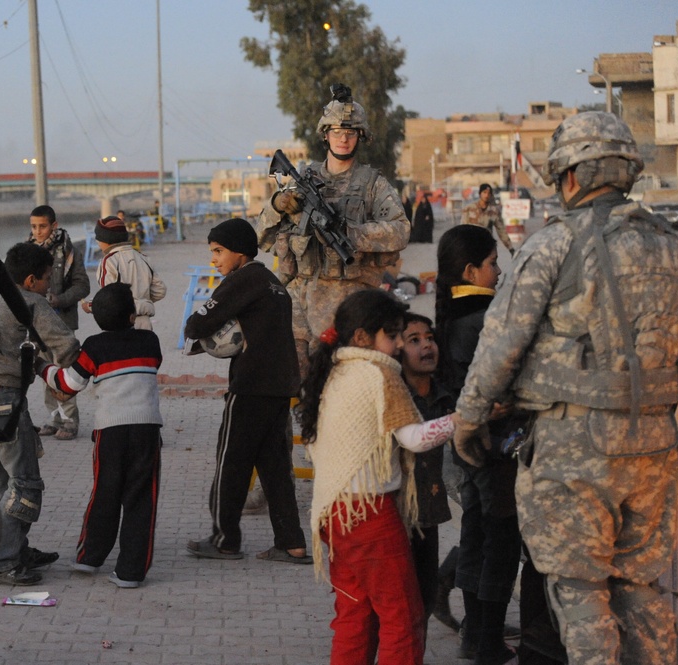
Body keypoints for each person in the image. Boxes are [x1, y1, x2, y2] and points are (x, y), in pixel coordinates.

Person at [452, 111, 678, 664]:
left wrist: (469, 421)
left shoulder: (553, 245)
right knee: (641, 590)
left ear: (570, 175)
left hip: (572, 452)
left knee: (579, 593)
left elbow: (500, 345)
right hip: (652, 448)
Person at [297, 288, 458, 665]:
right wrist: (462, 419)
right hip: (369, 514)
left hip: (334, 512)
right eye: (394, 334)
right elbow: (416, 439)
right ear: (362, 338)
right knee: (404, 616)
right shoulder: (380, 374)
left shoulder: (336, 370)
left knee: (356, 615)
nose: (401, 343)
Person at [257, 83, 411, 373]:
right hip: (299, 304)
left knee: (343, 385)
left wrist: (352, 234)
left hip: (348, 306)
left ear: (360, 136)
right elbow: (262, 237)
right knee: (297, 388)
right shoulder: (302, 179)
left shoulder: (372, 184)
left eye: (350, 133)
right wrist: (278, 204)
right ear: (325, 135)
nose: (343, 139)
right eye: (337, 132)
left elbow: (400, 230)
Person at [183, 218, 310, 564]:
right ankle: (292, 543)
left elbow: (196, 324)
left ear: (239, 251)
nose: (214, 259)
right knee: (274, 467)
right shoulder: (271, 282)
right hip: (281, 386)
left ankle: (225, 540)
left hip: (251, 386)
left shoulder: (242, 280)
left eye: (218, 251)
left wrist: (203, 329)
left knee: (231, 462)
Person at [37, 281, 163, 588]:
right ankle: (131, 572)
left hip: (110, 432)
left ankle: (89, 557)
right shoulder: (151, 341)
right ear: (132, 316)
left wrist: (41, 368)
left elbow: (67, 385)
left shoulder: (94, 346)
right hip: (147, 428)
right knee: (141, 499)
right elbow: (153, 364)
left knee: (105, 493)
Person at [435, 224, 521, 665]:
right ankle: (486, 638)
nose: (499, 270)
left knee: (476, 537)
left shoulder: (454, 315)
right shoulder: (483, 318)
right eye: (492, 263)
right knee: (498, 545)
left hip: (468, 448)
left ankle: (477, 634)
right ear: (470, 269)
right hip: (495, 449)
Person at [0, 241, 80, 585]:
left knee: (0, 485)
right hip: (7, 402)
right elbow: (67, 347)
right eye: (45, 280)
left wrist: (38, 366)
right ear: (29, 280)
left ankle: (12, 548)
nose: (48, 288)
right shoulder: (31, 302)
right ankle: (5, 560)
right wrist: (65, 377)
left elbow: (12, 349)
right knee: (26, 485)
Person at [398, 312, 458, 638]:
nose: (426, 347)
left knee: (423, 593)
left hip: (427, 512)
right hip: (394, 512)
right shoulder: (394, 394)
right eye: (414, 340)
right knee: (398, 603)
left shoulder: (443, 393)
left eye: (430, 338)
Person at [28, 204, 90, 441]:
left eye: (42, 226)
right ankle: (54, 419)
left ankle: (70, 422)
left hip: (61, 322)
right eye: (34, 227)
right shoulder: (28, 251)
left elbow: (82, 285)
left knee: (64, 372)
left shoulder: (68, 250)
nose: (37, 231)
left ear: (53, 225)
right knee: (45, 372)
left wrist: (59, 300)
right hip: (35, 324)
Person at [82, 215, 166, 331]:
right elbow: (160, 290)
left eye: (98, 240)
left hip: (121, 323)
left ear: (106, 240)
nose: (98, 243)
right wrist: (141, 302)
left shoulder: (109, 261)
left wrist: (90, 306)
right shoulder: (143, 258)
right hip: (145, 322)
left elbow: (109, 297)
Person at [461, 184, 514, 255]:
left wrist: (510, 248)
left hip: (486, 245)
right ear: (480, 194)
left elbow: (501, 230)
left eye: (489, 193)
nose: (486, 195)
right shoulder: (469, 208)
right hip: (471, 245)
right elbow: (462, 228)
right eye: (484, 192)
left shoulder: (494, 211)